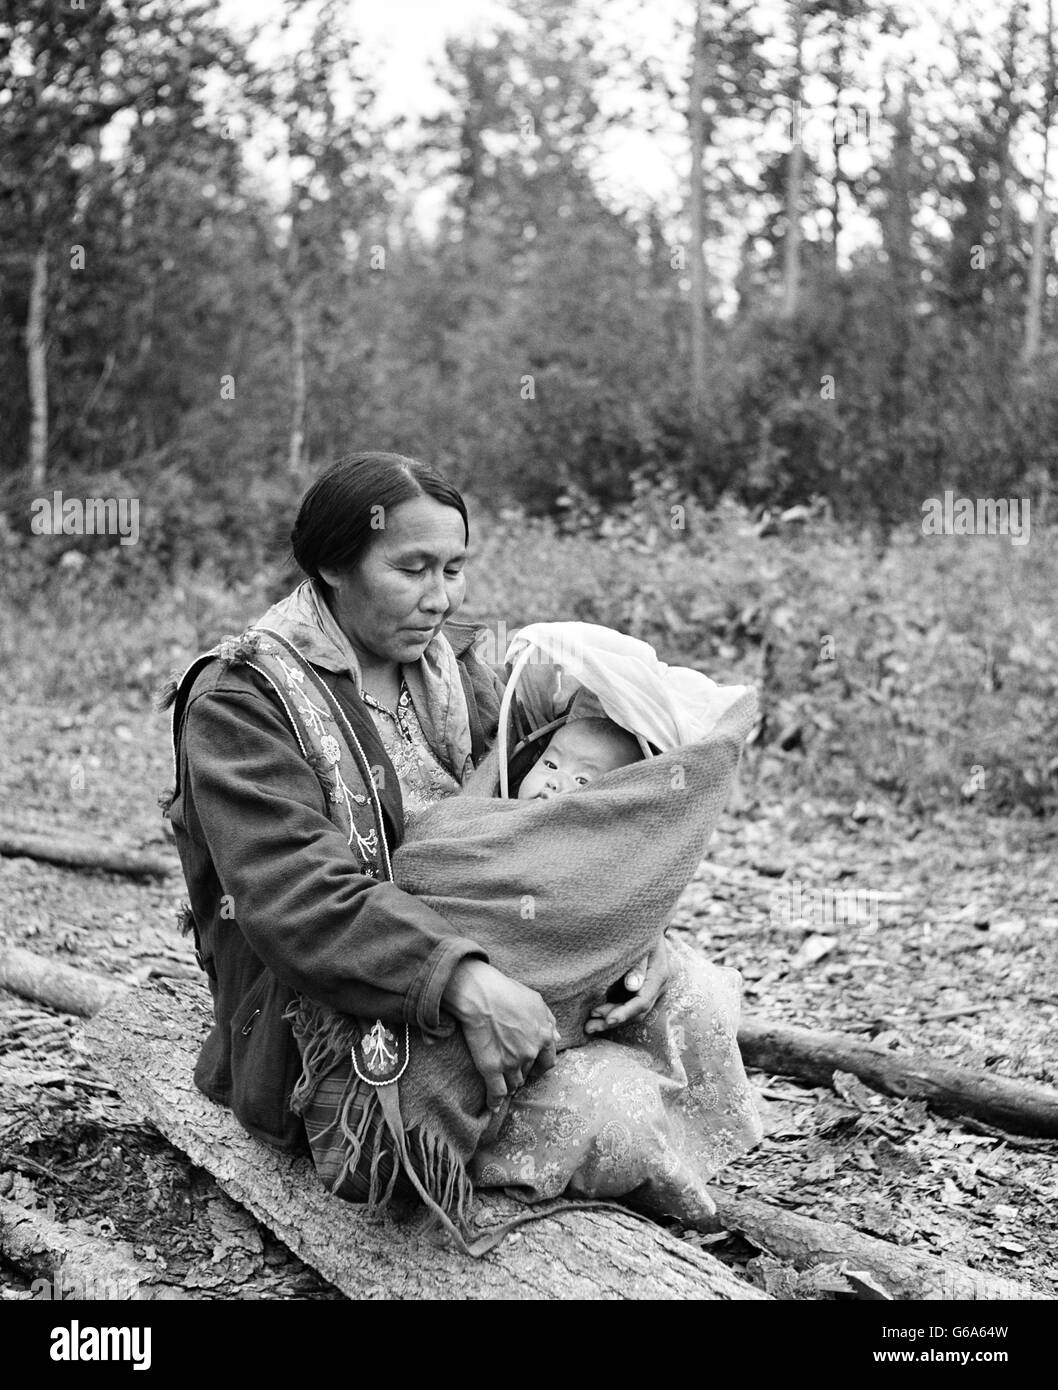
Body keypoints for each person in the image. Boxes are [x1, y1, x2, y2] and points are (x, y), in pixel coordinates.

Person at [163, 451, 673, 1207]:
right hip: (331, 1003)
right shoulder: (243, 700)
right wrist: (464, 982)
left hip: (498, 937)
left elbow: (548, 817)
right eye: (412, 569)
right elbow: (295, 895)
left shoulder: (457, 669)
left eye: (454, 569)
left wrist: (635, 928)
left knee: (685, 995)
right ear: (332, 565)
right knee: (608, 1113)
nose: (440, 598)